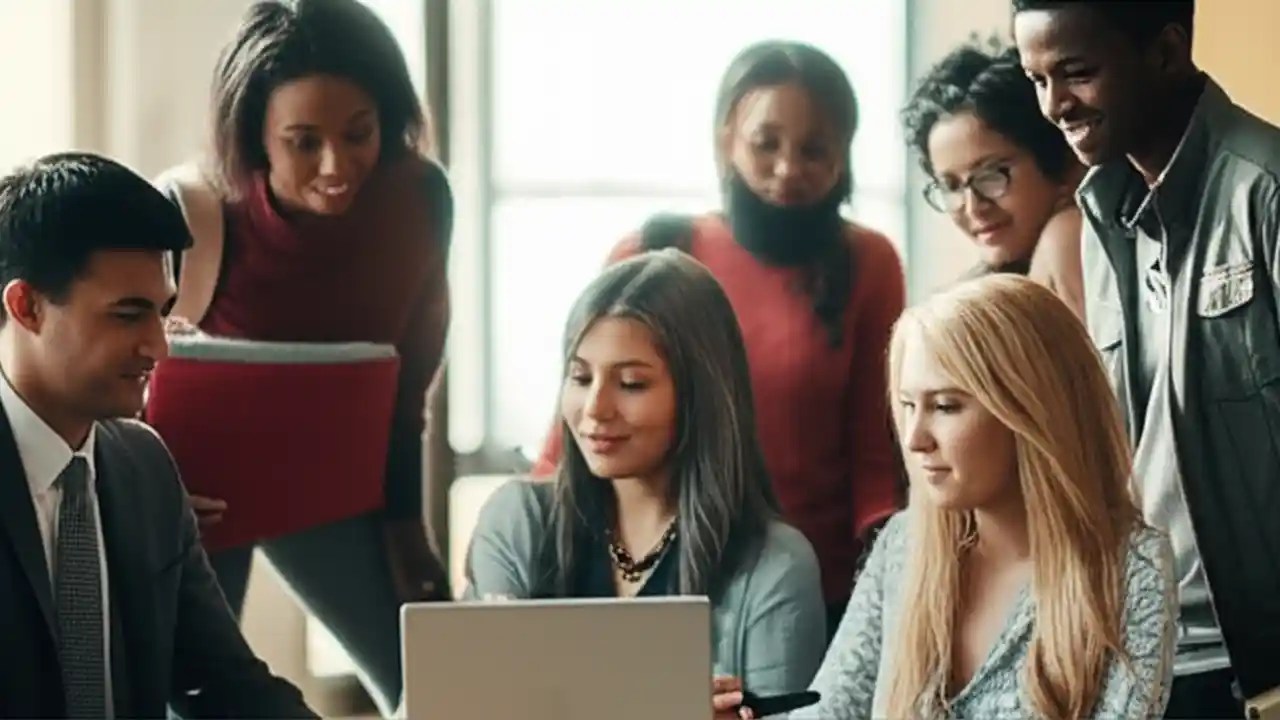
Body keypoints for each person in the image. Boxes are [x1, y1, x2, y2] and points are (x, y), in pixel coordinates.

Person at [532, 40, 907, 636]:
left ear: (845, 155)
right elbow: (574, 431)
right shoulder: (655, 252)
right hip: (660, 570)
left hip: (819, 582)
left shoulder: (869, 262)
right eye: (766, 144)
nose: (788, 168)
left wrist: (895, 573)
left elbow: (877, 450)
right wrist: (523, 536)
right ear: (725, 138)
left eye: (814, 149)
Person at [154, 0, 453, 713]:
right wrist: (146, 501)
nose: (336, 166)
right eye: (302, 141)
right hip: (198, 502)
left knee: (434, 683)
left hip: (332, 493)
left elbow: (408, 388)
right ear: (255, 136)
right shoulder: (190, 212)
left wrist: (408, 533)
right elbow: (112, 374)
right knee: (187, 699)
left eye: (359, 134)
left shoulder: (416, 203)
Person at [708, 275, 1177, 720]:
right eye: (908, 405)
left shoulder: (1131, 568)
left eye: (946, 406)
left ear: (1033, 413)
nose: (914, 439)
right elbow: (831, 711)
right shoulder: (903, 545)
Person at [1014, 2, 1280, 716]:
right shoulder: (1102, 215)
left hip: (1255, 665)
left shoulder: (1267, 190)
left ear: (1165, 53)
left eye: (1076, 72)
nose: (1053, 104)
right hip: (1147, 651)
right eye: (1036, 78)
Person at [0, 152, 315, 718]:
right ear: (26, 308)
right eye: (127, 315)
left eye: (162, 313)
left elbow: (225, 684)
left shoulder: (142, 467)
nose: (159, 347)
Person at [467, 250, 827, 702]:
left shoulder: (773, 565)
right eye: (580, 377)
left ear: (701, 395)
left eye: (632, 384)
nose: (595, 409)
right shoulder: (518, 522)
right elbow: (467, 701)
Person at [902, 40, 1086, 318]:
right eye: (951, 185)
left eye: (991, 176)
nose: (974, 206)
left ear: (1059, 160)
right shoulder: (983, 289)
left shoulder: (1068, 236)